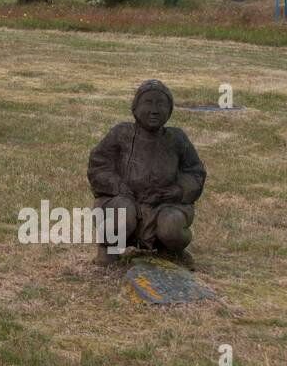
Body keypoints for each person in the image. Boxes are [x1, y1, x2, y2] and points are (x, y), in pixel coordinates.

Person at [87, 79, 206, 264]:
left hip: (165, 204)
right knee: (122, 216)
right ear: (135, 108)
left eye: (161, 104)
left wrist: (177, 191)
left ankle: (169, 250)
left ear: (170, 110)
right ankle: (108, 248)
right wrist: (118, 186)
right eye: (148, 102)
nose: (154, 110)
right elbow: (98, 166)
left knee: (171, 227)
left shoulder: (177, 139)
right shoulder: (121, 134)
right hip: (122, 200)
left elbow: (194, 173)